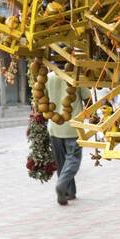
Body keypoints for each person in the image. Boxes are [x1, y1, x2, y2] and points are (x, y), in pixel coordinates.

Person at [45, 67, 88, 204]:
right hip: (73, 128)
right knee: (73, 159)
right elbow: (88, 100)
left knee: (62, 162)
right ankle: (62, 185)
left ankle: (69, 193)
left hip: (54, 126)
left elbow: (41, 101)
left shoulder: (48, 78)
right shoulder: (76, 77)